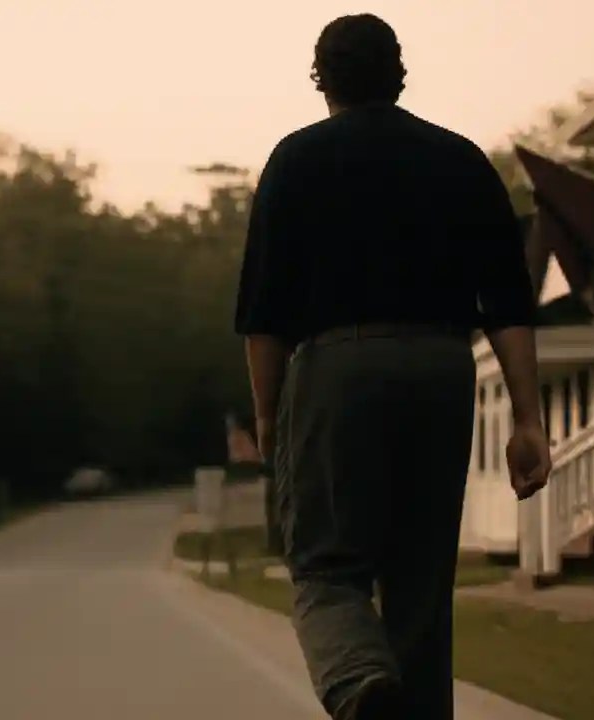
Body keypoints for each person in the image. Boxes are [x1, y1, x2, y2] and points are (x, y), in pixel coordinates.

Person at [234, 14, 552, 720]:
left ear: (323, 80)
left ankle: (359, 679)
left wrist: (268, 417)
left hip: (338, 367)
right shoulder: (462, 160)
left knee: (325, 566)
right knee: (420, 585)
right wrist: (528, 419)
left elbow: (265, 314)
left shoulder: (297, 161)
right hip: (443, 367)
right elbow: (507, 303)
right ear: (399, 73)